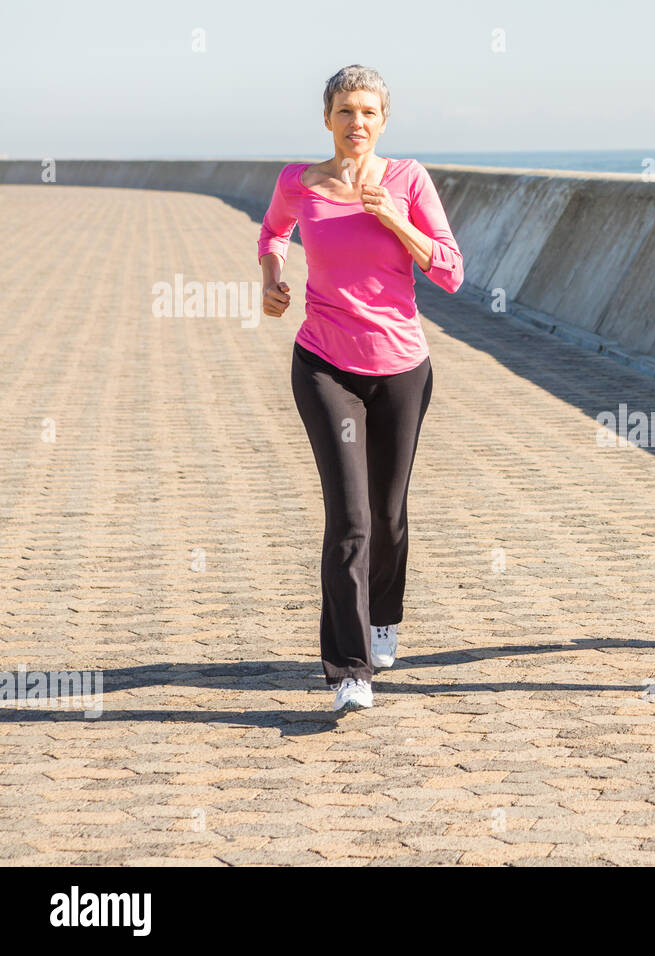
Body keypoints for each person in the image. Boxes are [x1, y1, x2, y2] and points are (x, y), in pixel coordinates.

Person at [258, 64, 464, 712]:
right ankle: (349, 670)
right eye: (346, 111)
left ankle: (383, 618)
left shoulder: (407, 180)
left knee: (387, 514)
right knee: (349, 518)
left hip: (402, 369)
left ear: (384, 120)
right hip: (324, 364)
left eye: (369, 112)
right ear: (328, 118)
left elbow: (452, 273)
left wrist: (398, 221)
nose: (357, 123)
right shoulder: (300, 181)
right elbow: (273, 234)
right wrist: (271, 277)